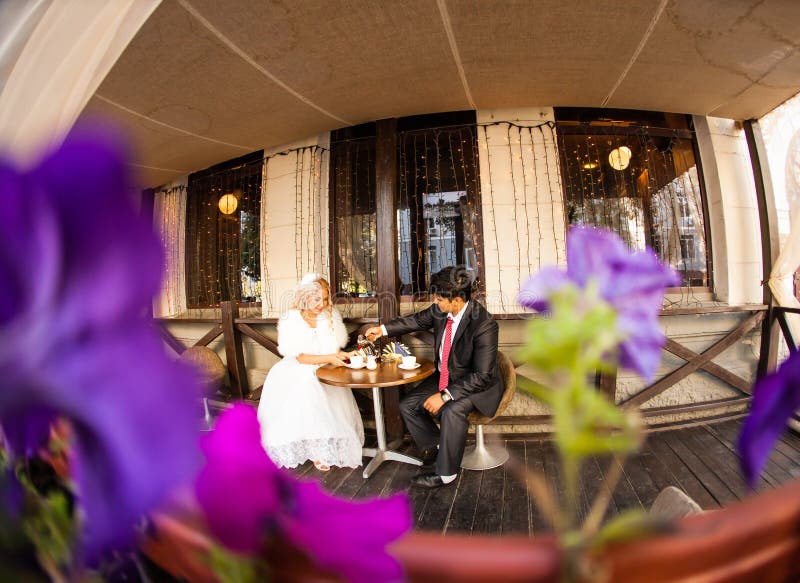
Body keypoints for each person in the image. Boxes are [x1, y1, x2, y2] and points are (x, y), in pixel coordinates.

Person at [365, 266, 502, 488]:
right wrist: (382, 330)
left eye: (439, 299)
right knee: (408, 404)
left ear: (457, 300)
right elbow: (416, 321)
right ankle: (439, 448)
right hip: (447, 375)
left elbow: (482, 375)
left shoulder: (484, 324)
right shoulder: (441, 310)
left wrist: (445, 395)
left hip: (476, 386)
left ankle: (447, 473)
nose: (435, 303)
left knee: (451, 410)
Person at [258, 274, 364, 471]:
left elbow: (333, 348)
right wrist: (329, 359)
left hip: (325, 364)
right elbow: (300, 357)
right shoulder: (292, 319)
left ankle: (324, 446)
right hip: (297, 368)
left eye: (325, 299)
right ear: (304, 297)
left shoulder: (331, 316)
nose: (322, 304)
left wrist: (340, 356)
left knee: (330, 383)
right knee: (309, 384)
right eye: (317, 299)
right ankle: (314, 449)